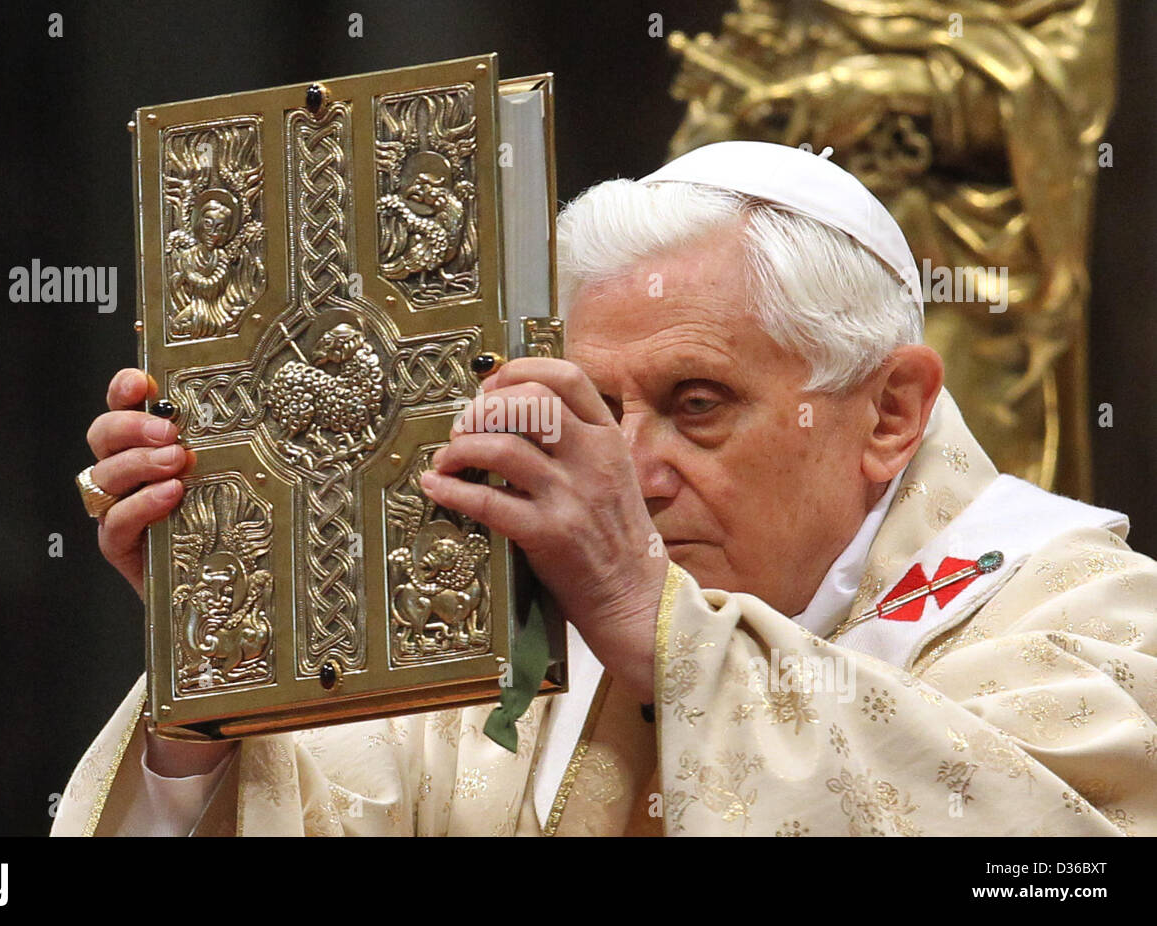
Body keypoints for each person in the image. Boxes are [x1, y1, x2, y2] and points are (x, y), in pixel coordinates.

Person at [57, 141, 1157, 836]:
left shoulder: (1081, 616)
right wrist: (224, 678)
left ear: (888, 412)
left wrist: (652, 621)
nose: (627, 473)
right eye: (596, 407)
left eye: (695, 402)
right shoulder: (503, 648)